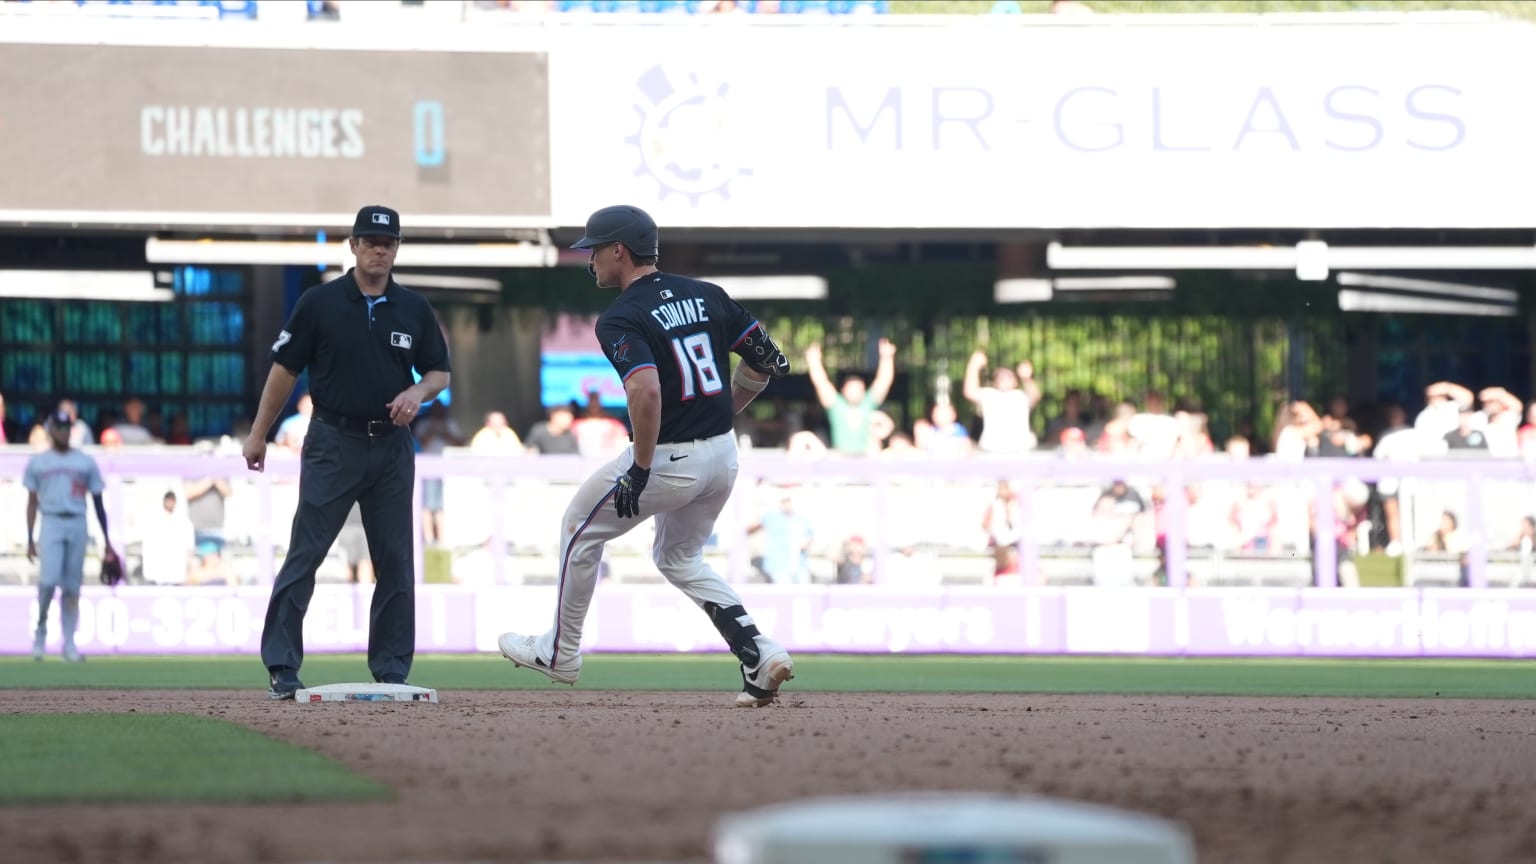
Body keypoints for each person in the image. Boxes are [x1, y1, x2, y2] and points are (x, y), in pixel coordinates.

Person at [497, 204, 795, 708]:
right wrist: (719, 411)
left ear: (620, 251)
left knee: (577, 528)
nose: (590, 260)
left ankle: (559, 652)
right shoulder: (709, 294)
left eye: (594, 249)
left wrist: (640, 465)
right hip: (722, 456)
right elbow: (769, 362)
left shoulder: (622, 315)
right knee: (677, 556)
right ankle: (758, 652)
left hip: (669, 458)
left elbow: (646, 393)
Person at [243, 205, 451, 699]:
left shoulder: (413, 308)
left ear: (397, 248)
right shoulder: (320, 303)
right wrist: (259, 433)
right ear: (353, 246)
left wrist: (417, 394)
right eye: (370, 240)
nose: (379, 249)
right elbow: (284, 370)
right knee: (306, 552)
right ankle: (281, 665)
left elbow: (439, 372)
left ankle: (393, 669)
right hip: (333, 441)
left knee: (396, 560)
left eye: (388, 242)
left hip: (392, 446)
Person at [23, 409, 119, 661]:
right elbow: (32, 501)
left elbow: (98, 502)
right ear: (51, 430)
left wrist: (107, 540)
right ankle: (41, 632)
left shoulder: (84, 461)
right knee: (47, 582)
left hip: (77, 520)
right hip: (51, 521)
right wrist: (30, 536)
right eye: (59, 427)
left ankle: (69, 643)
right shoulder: (39, 462)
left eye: (67, 427)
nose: (63, 432)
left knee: (72, 587)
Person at [803, 338, 896, 456]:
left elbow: (883, 382)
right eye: (852, 389)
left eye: (859, 389)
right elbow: (822, 383)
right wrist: (814, 362)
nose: (855, 392)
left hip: (865, 457)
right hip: (841, 458)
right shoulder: (837, 405)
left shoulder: (868, 403)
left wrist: (887, 358)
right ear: (844, 391)